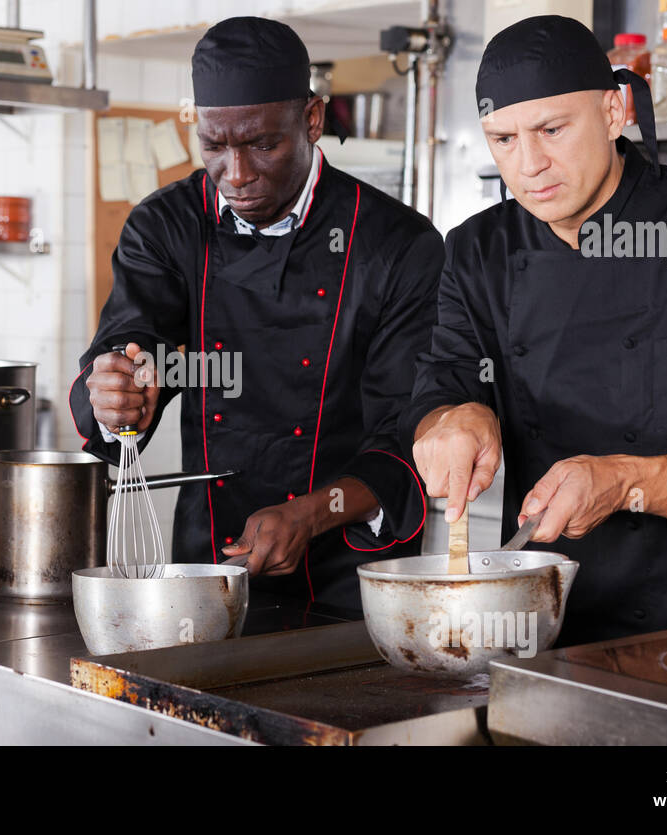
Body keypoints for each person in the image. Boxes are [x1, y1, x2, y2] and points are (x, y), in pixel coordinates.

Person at [405, 15, 667, 644]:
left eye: (551, 129)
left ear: (613, 111)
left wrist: (622, 480)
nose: (530, 165)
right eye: (503, 140)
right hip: (554, 626)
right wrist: (452, 417)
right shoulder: (477, 250)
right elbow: (447, 380)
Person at [70, 17, 444, 610]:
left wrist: (312, 514)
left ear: (312, 121)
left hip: (354, 581)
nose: (237, 175)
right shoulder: (165, 226)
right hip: (209, 567)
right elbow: (133, 341)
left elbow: (407, 435)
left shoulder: (395, 242)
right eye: (215, 146)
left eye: (263, 144)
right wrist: (118, 388)